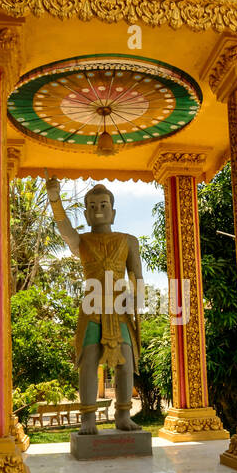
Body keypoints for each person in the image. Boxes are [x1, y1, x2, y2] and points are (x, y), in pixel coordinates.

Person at [46, 179, 144, 436]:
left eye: (103, 204)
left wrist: (139, 302)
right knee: (88, 361)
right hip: (92, 309)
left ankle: (123, 415)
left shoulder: (129, 240)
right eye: (92, 205)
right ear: (87, 214)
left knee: (125, 361)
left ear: (113, 211)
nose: (98, 209)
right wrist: (55, 200)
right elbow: (65, 229)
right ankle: (88, 417)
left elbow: (137, 275)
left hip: (120, 310)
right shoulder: (81, 241)